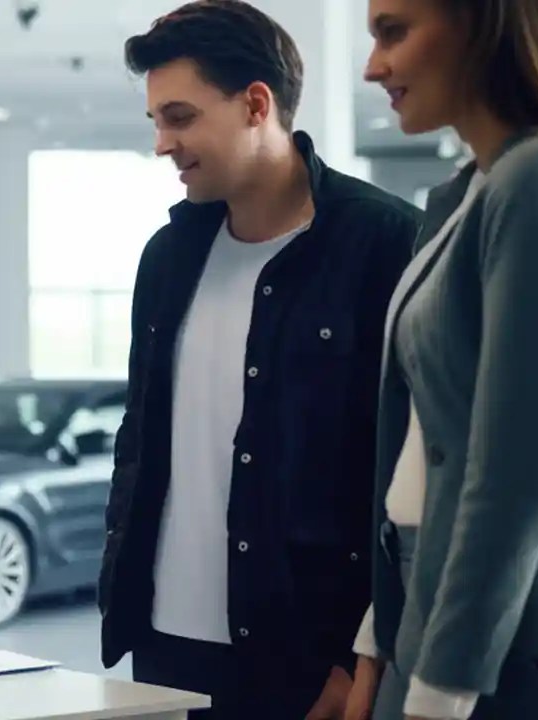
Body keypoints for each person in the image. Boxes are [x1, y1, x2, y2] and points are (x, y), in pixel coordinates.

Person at [98, 2, 422, 718]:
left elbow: (409, 474)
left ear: (255, 104)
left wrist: (361, 654)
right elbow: (140, 436)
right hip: (160, 647)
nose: (162, 143)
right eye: (155, 121)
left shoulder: (386, 246)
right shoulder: (168, 257)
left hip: (307, 660)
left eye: (179, 117)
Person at [344, 1, 538, 719]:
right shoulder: (463, 194)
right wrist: (377, 635)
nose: (373, 65)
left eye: (393, 32)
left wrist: (440, 694)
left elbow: (516, 468)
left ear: (481, 23)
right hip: (423, 601)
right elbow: (423, 436)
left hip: (498, 640)